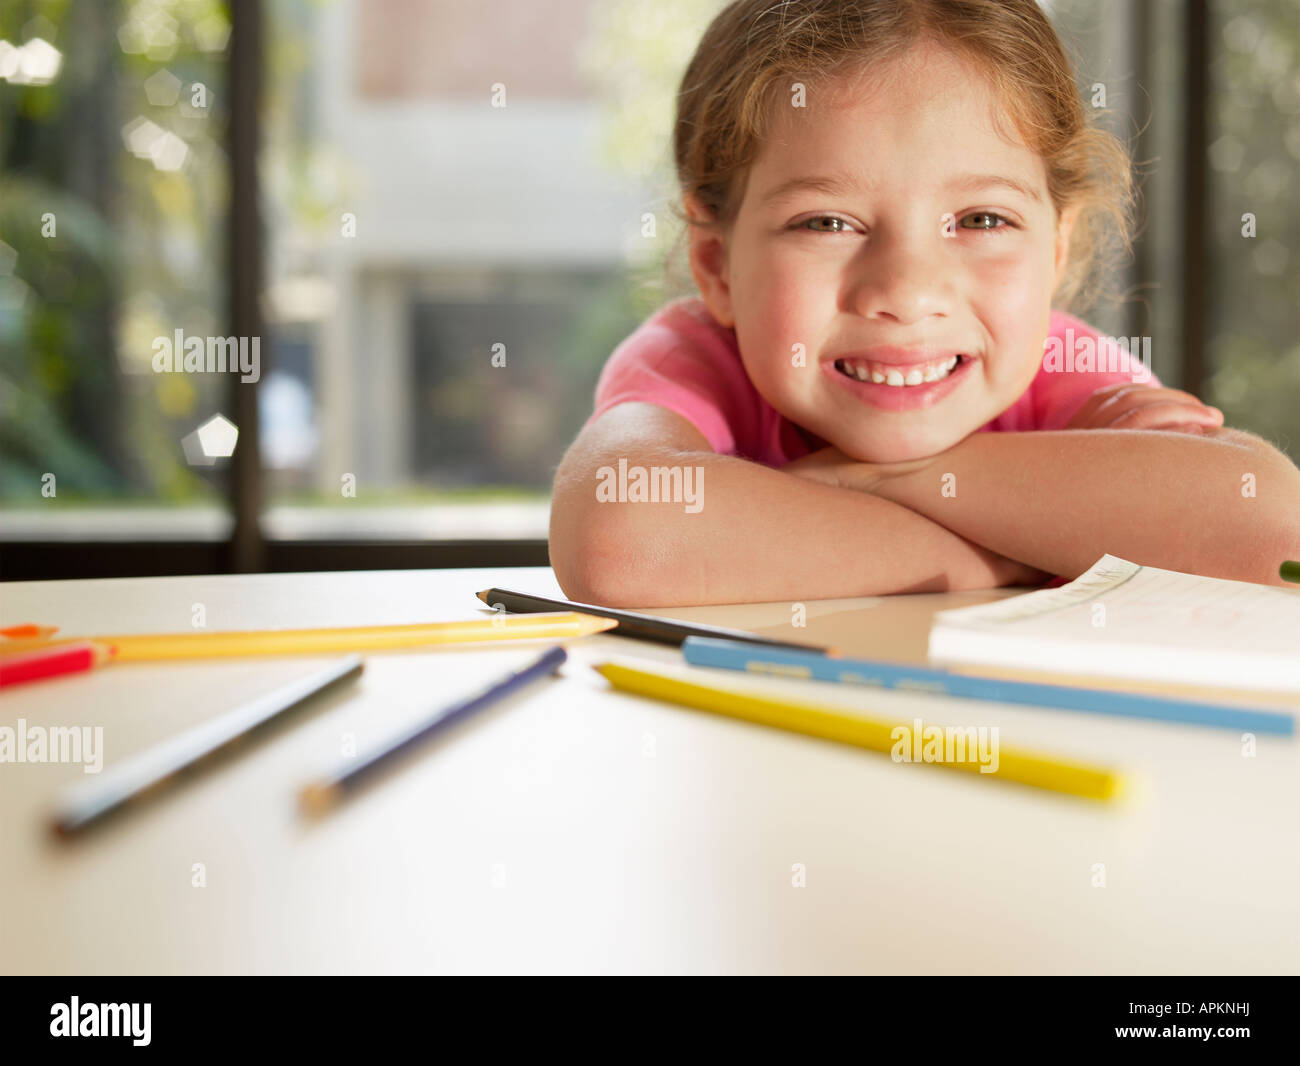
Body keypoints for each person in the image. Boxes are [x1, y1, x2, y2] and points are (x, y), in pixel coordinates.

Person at [551, 0, 1300, 606]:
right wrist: (1010, 552)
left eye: (982, 220)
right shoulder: (693, 360)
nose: (907, 293)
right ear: (716, 266)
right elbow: (621, 538)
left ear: (1057, 250)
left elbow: (1272, 533)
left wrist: (873, 481)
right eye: (826, 223)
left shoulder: (1066, 367)